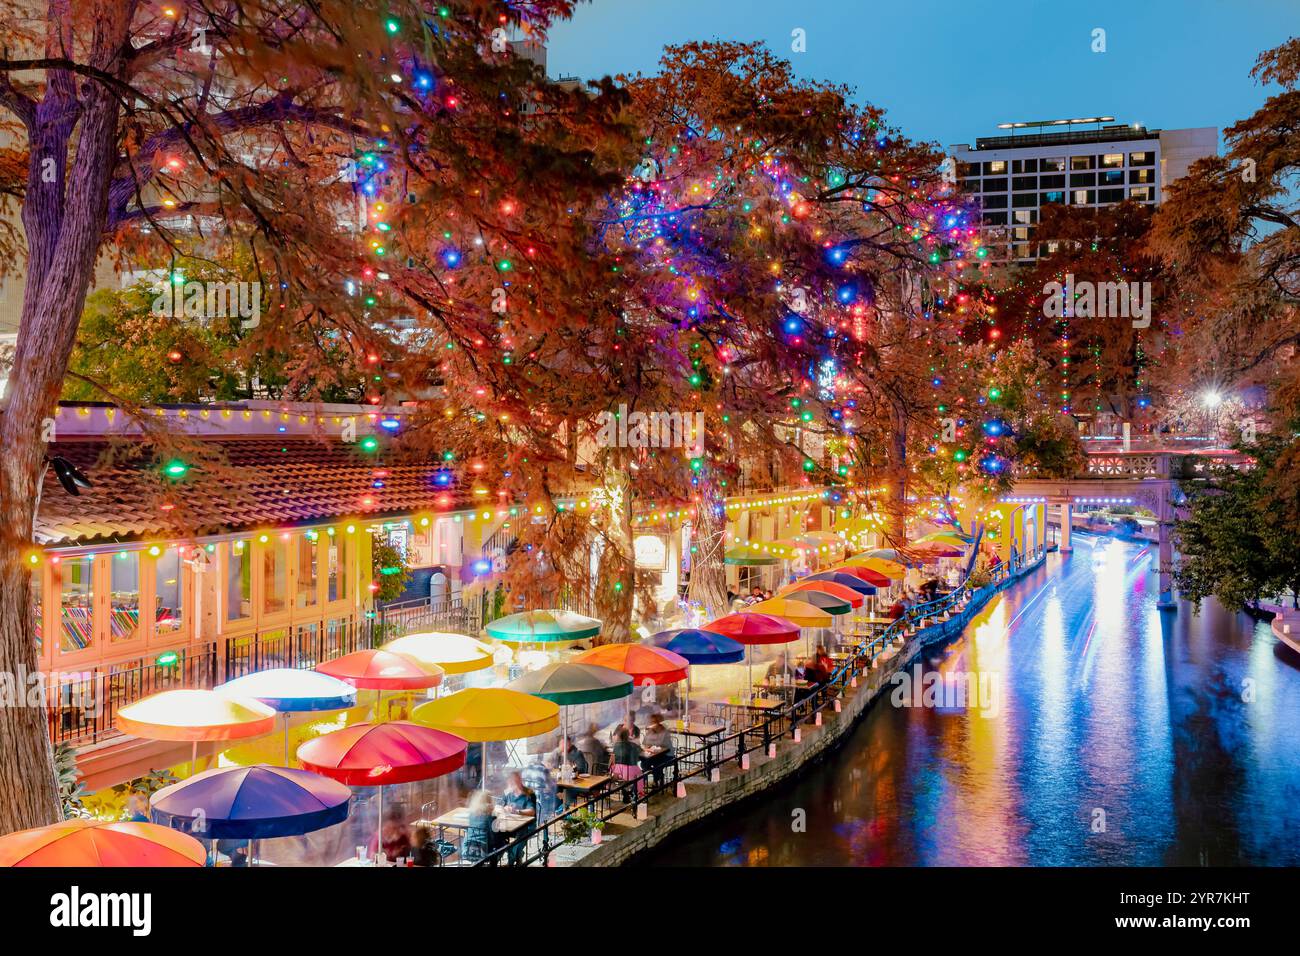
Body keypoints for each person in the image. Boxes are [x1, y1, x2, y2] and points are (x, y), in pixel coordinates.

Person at [498, 771, 537, 866]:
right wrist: (504, 808)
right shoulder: (508, 794)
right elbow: (498, 806)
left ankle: (510, 862)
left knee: (520, 837)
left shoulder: (528, 794)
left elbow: (532, 811)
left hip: (527, 826)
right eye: (510, 782)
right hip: (510, 825)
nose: (511, 784)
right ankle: (518, 855)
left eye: (513, 782)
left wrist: (517, 811)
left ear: (519, 781)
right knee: (496, 835)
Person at [463, 789, 500, 866]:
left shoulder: (472, 815)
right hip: (483, 850)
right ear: (489, 802)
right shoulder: (490, 817)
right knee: (501, 844)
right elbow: (494, 836)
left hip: (468, 849)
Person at [638, 713, 676, 788]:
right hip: (654, 755)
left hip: (666, 755)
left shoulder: (664, 732)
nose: (651, 724)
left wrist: (651, 746)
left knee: (656, 763)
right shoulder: (650, 731)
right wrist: (648, 747)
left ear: (658, 722)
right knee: (644, 763)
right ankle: (647, 780)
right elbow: (645, 743)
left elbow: (661, 745)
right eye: (651, 722)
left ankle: (656, 780)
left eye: (653, 722)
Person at [522, 754, 559, 823]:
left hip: (528, 799)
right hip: (541, 800)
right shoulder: (543, 769)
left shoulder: (525, 768)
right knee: (559, 801)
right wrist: (554, 780)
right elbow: (549, 787)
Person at [610, 727, 645, 800]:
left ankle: (626, 792)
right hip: (630, 771)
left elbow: (612, 759)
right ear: (628, 735)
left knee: (628, 777)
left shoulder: (616, 746)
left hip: (618, 772)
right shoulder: (633, 745)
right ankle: (639, 793)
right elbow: (640, 755)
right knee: (640, 775)